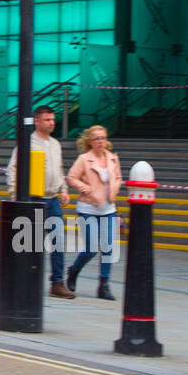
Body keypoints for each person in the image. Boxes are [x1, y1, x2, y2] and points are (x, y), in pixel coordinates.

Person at [6, 104, 74, 298]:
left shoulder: (55, 144)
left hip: (53, 200)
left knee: (58, 241)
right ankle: (26, 280)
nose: (52, 123)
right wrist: (14, 193)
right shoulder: (27, 143)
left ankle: (57, 283)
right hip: (34, 200)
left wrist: (64, 190)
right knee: (32, 245)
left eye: (53, 120)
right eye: (47, 120)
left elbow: (59, 169)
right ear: (36, 121)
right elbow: (13, 169)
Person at [65, 124, 122, 300]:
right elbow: (71, 177)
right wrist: (86, 189)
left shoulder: (113, 158)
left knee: (108, 248)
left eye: (103, 138)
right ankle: (74, 270)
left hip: (108, 208)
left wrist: (115, 189)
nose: (100, 142)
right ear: (90, 141)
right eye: (96, 138)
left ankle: (104, 285)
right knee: (90, 249)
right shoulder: (84, 159)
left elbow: (118, 177)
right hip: (88, 208)